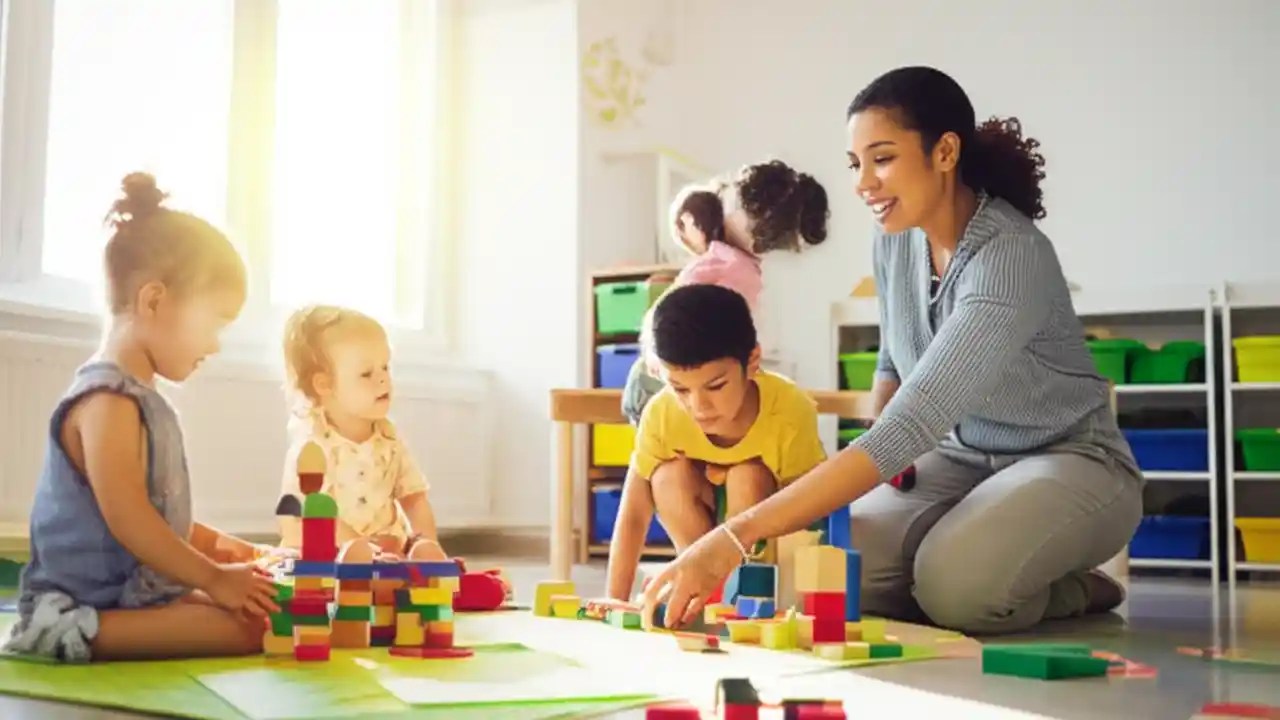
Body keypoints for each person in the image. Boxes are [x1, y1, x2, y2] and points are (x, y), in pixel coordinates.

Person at [643, 66, 1143, 635]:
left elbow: (916, 419)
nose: (863, 183)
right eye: (855, 164)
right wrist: (884, 427)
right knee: (817, 574)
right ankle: (967, 562)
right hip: (958, 460)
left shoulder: (1011, 257)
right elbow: (893, 355)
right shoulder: (895, 239)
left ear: (945, 152)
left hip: (1070, 459)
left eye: (881, 159)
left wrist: (732, 534)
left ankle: (1070, 588)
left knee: (956, 589)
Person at [2, 173, 280, 662]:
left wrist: (234, 550)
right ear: (153, 301)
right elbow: (130, 519)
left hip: (131, 595)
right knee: (247, 630)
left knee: (259, 616)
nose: (215, 345)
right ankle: (55, 632)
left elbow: (159, 517)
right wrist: (214, 578)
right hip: (81, 602)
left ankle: (105, 627)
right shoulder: (107, 401)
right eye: (215, 322)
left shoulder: (142, 401)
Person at [606, 284, 827, 602]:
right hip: (700, 518)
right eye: (681, 389)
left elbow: (806, 508)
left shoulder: (790, 411)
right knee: (666, 476)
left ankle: (739, 589)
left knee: (746, 476)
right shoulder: (663, 413)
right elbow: (634, 512)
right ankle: (702, 585)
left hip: (763, 543)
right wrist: (614, 601)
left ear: (752, 360)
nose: (699, 407)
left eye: (716, 386)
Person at [621, 160, 830, 427]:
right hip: (667, 376)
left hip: (677, 373)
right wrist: (656, 356)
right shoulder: (730, 262)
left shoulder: (731, 262)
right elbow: (670, 311)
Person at [277, 305, 447, 561]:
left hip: (386, 549)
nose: (383, 379)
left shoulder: (390, 440)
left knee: (412, 555)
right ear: (324, 384)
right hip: (326, 552)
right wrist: (360, 547)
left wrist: (428, 543)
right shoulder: (313, 448)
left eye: (385, 367)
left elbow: (414, 498)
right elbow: (309, 515)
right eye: (367, 374)